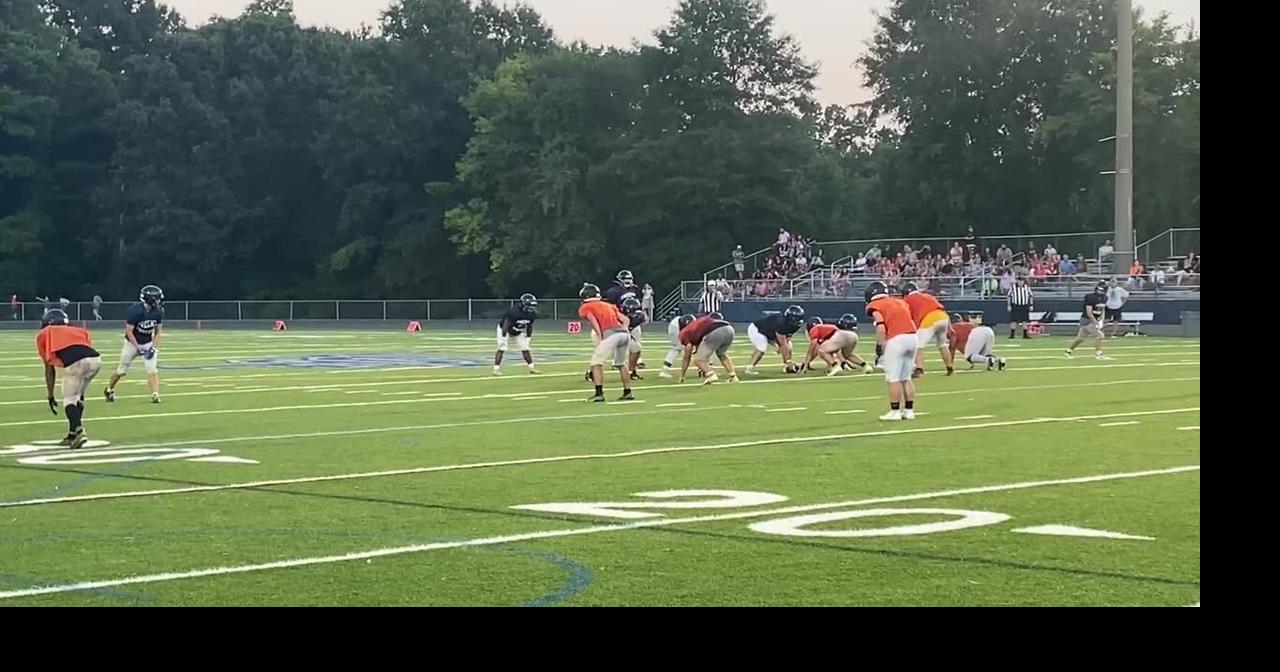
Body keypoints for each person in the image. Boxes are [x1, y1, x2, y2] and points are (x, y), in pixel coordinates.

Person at [36, 309, 102, 449]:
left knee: (69, 399)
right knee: (78, 396)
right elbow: (85, 347)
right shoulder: (78, 330)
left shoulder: (45, 333)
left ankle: (79, 431)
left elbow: (49, 370)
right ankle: (73, 433)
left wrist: (50, 394)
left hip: (76, 362)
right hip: (96, 360)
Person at [865, 281, 918, 421]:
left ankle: (895, 411)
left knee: (893, 377)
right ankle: (909, 411)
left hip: (897, 339)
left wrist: (879, 347)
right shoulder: (900, 301)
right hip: (913, 337)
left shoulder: (875, 305)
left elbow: (881, 327)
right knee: (906, 377)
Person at [103, 284, 164, 404]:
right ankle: (109, 389)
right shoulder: (135, 311)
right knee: (121, 371)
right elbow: (129, 332)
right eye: (156, 299)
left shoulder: (158, 312)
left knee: (152, 370)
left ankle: (155, 395)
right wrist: (138, 348)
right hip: (132, 343)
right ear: (149, 299)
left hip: (147, 342)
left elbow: (158, 332)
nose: (159, 301)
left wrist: (153, 348)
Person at [578, 283, 634, 402]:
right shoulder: (608, 305)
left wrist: (601, 336)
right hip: (624, 333)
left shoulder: (586, 307)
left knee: (596, 363)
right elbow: (626, 319)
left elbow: (594, 322)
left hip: (610, 334)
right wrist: (624, 330)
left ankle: (599, 393)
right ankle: (627, 392)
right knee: (620, 363)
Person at [901, 282, 954, 377]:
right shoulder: (927, 296)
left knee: (917, 345)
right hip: (943, 317)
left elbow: (910, 316)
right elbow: (942, 309)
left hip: (930, 319)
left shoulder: (907, 300)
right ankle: (950, 368)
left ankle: (919, 370)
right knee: (942, 344)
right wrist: (950, 327)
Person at [677, 312, 739, 385]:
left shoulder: (684, 333)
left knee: (698, 359)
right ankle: (733, 376)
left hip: (715, 331)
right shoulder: (698, 323)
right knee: (721, 354)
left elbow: (687, 356)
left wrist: (682, 375)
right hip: (729, 329)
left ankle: (711, 374)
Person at [802, 314, 873, 376]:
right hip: (853, 336)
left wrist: (805, 366)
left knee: (821, 350)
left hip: (841, 335)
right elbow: (835, 350)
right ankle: (865, 365)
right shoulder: (826, 330)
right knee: (847, 355)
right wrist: (843, 362)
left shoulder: (814, 329)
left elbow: (812, 350)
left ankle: (835, 366)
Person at [745, 305, 805, 375]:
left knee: (789, 346)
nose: (798, 321)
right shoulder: (781, 323)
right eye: (796, 319)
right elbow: (783, 344)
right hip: (757, 330)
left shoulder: (795, 324)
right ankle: (749, 369)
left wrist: (787, 359)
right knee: (762, 347)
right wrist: (788, 360)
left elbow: (787, 339)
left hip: (771, 333)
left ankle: (787, 366)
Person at [493, 293, 539, 375]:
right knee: (502, 348)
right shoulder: (514, 312)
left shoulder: (532, 314)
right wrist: (503, 337)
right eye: (529, 305)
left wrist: (528, 338)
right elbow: (505, 325)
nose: (531, 308)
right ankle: (496, 369)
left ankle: (532, 368)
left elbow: (529, 326)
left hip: (518, 330)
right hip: (504, 329)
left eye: (533, 306)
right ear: (523, 304)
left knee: (525, 348)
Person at [1065, 281, 1109, 360]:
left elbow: (1102, 310)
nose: (1099, 291)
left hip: (1094, 319)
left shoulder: (1105, 298)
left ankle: (1068, 351)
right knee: (1100, 335)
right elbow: (1089, 312)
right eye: (1099, 290)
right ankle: (1099, 354)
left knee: (1080, 339)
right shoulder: (1090, 297)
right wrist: (1095, 322)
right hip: (1086, 320)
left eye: (1102, 290)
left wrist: (1101, 320)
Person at [659, 314, 696, 378]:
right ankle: (665, 369)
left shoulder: (694, 321)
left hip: (682, 329)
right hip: (675, 330)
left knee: (687, 347)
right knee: (676, 348)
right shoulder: (674, 326)